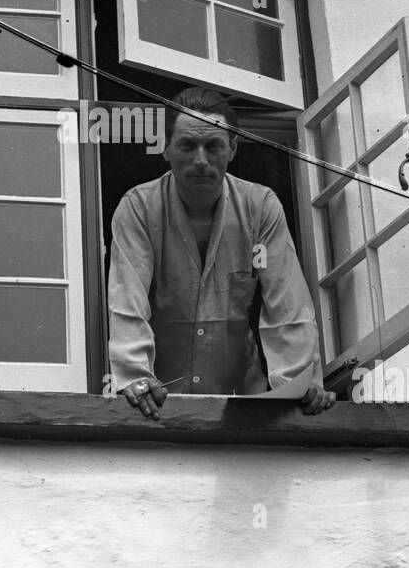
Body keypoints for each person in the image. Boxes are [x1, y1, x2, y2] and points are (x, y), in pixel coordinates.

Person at [107, 86, 334, 420]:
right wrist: (134, 375)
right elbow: (128, 301)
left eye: (213, 145)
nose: (201, 160)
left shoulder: (260, 208)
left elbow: (287, 304)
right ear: (166, 148)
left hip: (242, 405)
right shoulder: (139, 208)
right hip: (158, 405)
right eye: (187, 145)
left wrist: (298, 384)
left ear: (232, 148)